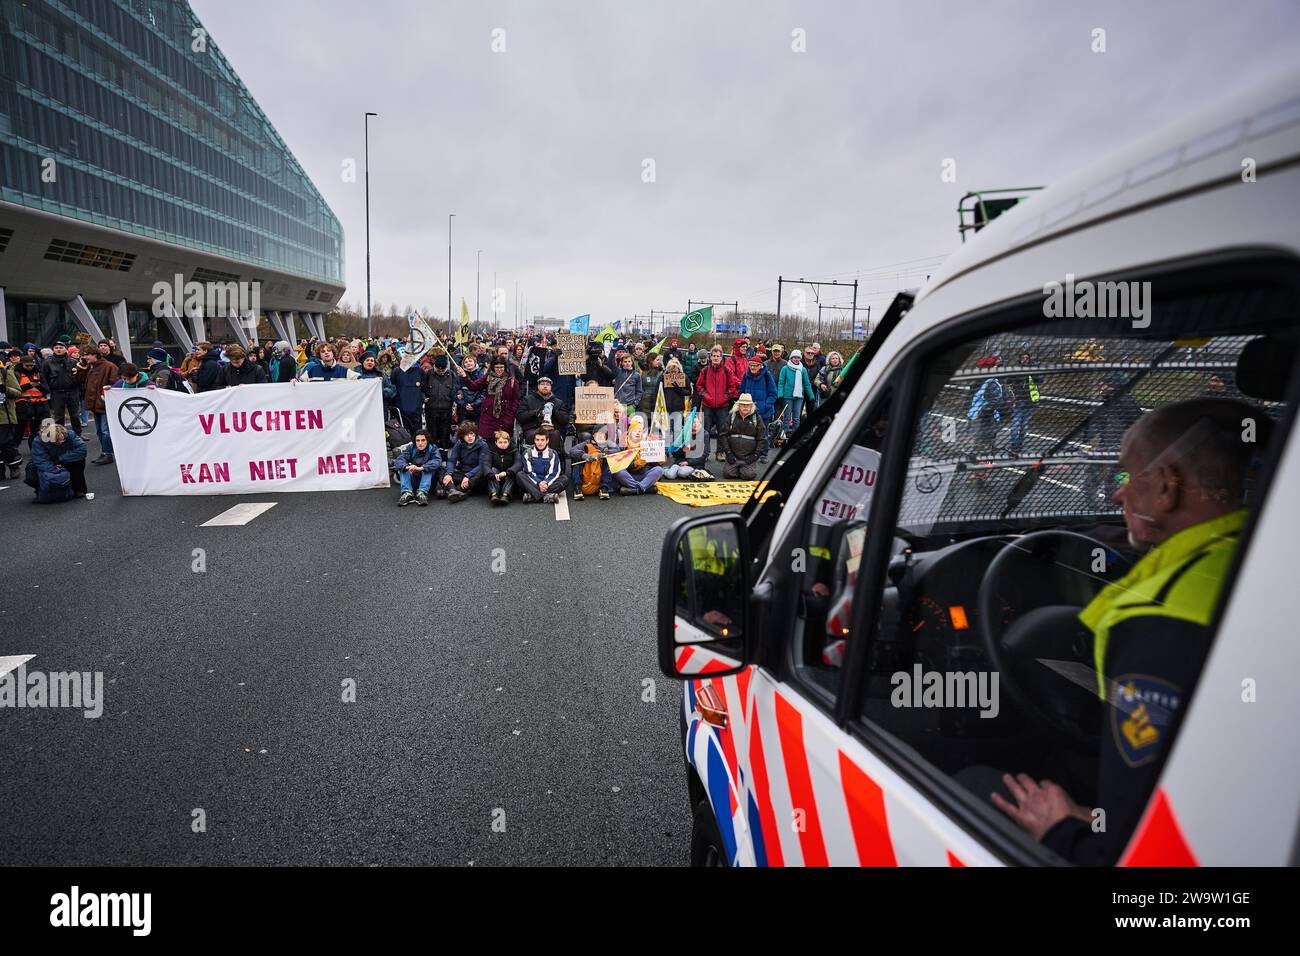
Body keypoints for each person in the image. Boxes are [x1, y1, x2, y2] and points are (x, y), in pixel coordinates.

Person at [990, 399, 1268, 866]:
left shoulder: (1158, 620)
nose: (1118, 495)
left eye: (1128, 476)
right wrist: (1107, 815)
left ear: (1167, 486)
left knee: (985, 788)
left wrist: (1063, 832)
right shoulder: (1254, 552)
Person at [73, 348, 118, 465]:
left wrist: (107, 394)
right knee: (99, 431)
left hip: (104, 403)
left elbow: (116, 383)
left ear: (95, 355)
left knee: (105, 431)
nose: (85, 357)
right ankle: (105, 452)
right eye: (84, 355)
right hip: (95, 404)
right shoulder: (91, 367)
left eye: (87, 355)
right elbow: (80, 380)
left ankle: (108, 454)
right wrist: (81, 368)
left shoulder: (109, 366)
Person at [27, 418, 88, 502]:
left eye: (62, 438)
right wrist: (53, 467)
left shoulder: (70, 434)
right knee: (31, 473)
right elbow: (40, 460)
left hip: (62, 460)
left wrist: (60, 459)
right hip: (49, 462)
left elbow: (82, 450)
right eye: (58, 440)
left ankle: (78, 489)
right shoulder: (38, 441)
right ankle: (42, 490)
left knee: (79, 461)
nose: (62, 441)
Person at [695, 346, 739, 462]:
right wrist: (705, 396)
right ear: (711, 357)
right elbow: (699, 386)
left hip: (722, 406)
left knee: (722, 430)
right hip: (707, 405)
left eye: (717, 356)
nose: (715, 358)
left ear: (721, 357)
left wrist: (725, 397)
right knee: (705, 430)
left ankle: (720, 452)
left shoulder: (726, 370)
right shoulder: (704, 371)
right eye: (713, 355)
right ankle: (705, 453)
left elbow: (732, 386)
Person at [463, 356, 522, 442]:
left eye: (501, 367)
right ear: (493, 368)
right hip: (489, 416)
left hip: (505, 417)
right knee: (488, 443)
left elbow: (515, 400)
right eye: (497, 367)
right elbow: (473, 386)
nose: (499, 369)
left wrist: (511, 414)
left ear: (505, 367)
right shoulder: (488, 377)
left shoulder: (512, 381)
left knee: (503, 442)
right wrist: (464, 376)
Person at [613, 416, 664, 496]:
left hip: (644, 475)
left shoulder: (646, 443)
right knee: (618, 472)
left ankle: (634, 490)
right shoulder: (623, 444)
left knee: (659, 470)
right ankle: (645, 488)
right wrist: (636, 463)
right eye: (635, 431)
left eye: (639, 431)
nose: (637, 433)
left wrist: (660, 458)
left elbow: (655, 465)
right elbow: (620, 464)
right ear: (630, 432)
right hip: (629, 476)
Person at [515, 428, 567, 503]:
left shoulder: (553, 453)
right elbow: (528, 472)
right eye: (537, 440)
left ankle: (533, 496)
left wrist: (546, 482)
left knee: (564, 479)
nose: (540, 442)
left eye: (542, 440)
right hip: (533, 482)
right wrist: (539, 483)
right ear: (534, 440)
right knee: (520, 475)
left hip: (547, 483)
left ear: (547, 440)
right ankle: (545, 496)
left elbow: (554, 473)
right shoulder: (527, 453)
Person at [722, 393, 768, 479]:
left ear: (751, 406)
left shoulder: (757, 418)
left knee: (749, 475)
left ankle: (743, 468)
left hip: (748, 457)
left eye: (748, 405)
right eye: (743, 404)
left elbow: (762, 439)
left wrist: (755, 456)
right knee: (727, 474)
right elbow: (723, 435)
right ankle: (738, 468)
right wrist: (728, 453)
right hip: (733, 455)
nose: (745, 407)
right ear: (738, 405)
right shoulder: (731, 416)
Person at [41, 340, 82, 436]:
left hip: (72, 391)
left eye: (61, 348)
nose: (58, 349)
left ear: (65, 349)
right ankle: (60, 435)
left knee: (75, 415)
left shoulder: (73, 361)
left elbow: (80, 376)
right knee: (59, 416)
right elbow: (44, 377)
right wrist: (47, 390)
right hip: (57, 392)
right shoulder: (47, 362)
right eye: (56, 348)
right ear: (53, 350)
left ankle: (78, 434)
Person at [441, 420, 489, 501]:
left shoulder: (482, 444)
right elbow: (452, 461)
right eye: (466, 435)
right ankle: (453, 491)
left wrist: (468, 476)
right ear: (462, 436)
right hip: (462, 473)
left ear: (475, 434)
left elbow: (482, 465)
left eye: (472, 434)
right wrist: (449, 473)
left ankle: (456, 490)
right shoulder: (459, 443)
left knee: (483, 471)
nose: (470, 437)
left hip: (475, 476)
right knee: (441, 469)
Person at [516, 376, 571, 445]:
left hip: (551, 430)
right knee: (536, 436)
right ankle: (534, 455)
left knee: (555, 435)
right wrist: (536, 413)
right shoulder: (527, 399)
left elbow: (565, 420)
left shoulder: (558, 402)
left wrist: (554, 412)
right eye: (542, 384)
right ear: (538, 386)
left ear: (551, 387)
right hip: (532, 429)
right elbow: (520, 416)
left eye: (547, 384)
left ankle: (551, 455)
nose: (545, 386)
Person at [13, 353, 50, 457]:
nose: (29, 367)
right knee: (19, 431)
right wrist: (30, 385)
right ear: (22, 364)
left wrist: (38, 385)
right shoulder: (16, 374)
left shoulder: (38, 373)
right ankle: (12, 451)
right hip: (23, 405)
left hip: (39, 405)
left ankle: (34, 450)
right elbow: (15, 390)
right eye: (27, 365)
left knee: (36, 430)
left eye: (31, 365)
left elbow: (46, 389)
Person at [393, 429, 442, 506]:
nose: (420, 443)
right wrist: (407, 467)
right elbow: (399, 461)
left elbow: (437, 461)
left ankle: (422, 493)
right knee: (403, 468)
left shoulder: (433, 448)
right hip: (414, 480)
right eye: (418, 440)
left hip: (429, 483)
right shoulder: (411, 448)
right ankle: (407, 493)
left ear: (427, 440)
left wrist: (421, 468)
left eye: (423, 440)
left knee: (428, 468)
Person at [570, 425, 615, 500]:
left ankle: (604, 487)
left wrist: (605, 453)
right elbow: (572, 451)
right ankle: (578, 487)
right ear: (593, 435)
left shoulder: (608, 444)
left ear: (606, 436)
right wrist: (584, 455)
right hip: (587, 473)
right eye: (598, 433)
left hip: (600, 474)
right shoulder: (586, 443)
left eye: (603, 433)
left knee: (607, 460)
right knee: (578, 461)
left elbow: (618, 450)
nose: (600, 435)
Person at [777, 348, 814, 434]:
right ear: (791, 358)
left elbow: (807, 384)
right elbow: (781, 382)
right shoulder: (785, 368)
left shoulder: (803, 370)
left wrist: (811, 396)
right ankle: (785, 432)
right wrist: (780, 394)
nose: (796, 359)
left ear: (800, 358)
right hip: (787, 396)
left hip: (799, 397)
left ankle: (795, 433)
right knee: (786, 416)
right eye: (794, 357)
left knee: (796, 417)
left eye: (798, 357)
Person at [0, 357, 22, 478]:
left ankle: (14, 465)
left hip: (4, 415)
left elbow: (18, 392)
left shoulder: (5, 373)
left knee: (5, 443)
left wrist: (5, 389)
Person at [487, 429, 520, 505]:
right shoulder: (491, 450)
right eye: (500, 442)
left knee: (512, 473)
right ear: (496, 442)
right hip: (496, 476)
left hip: (508, 476)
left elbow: (518, 463)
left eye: (505, 442)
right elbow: (486, 464)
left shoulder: (514, 449)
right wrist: (492, 474)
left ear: (509, 442)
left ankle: (506, 495)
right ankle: (493, 495)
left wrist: (507, 472)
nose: (503, 444)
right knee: (492, 470)